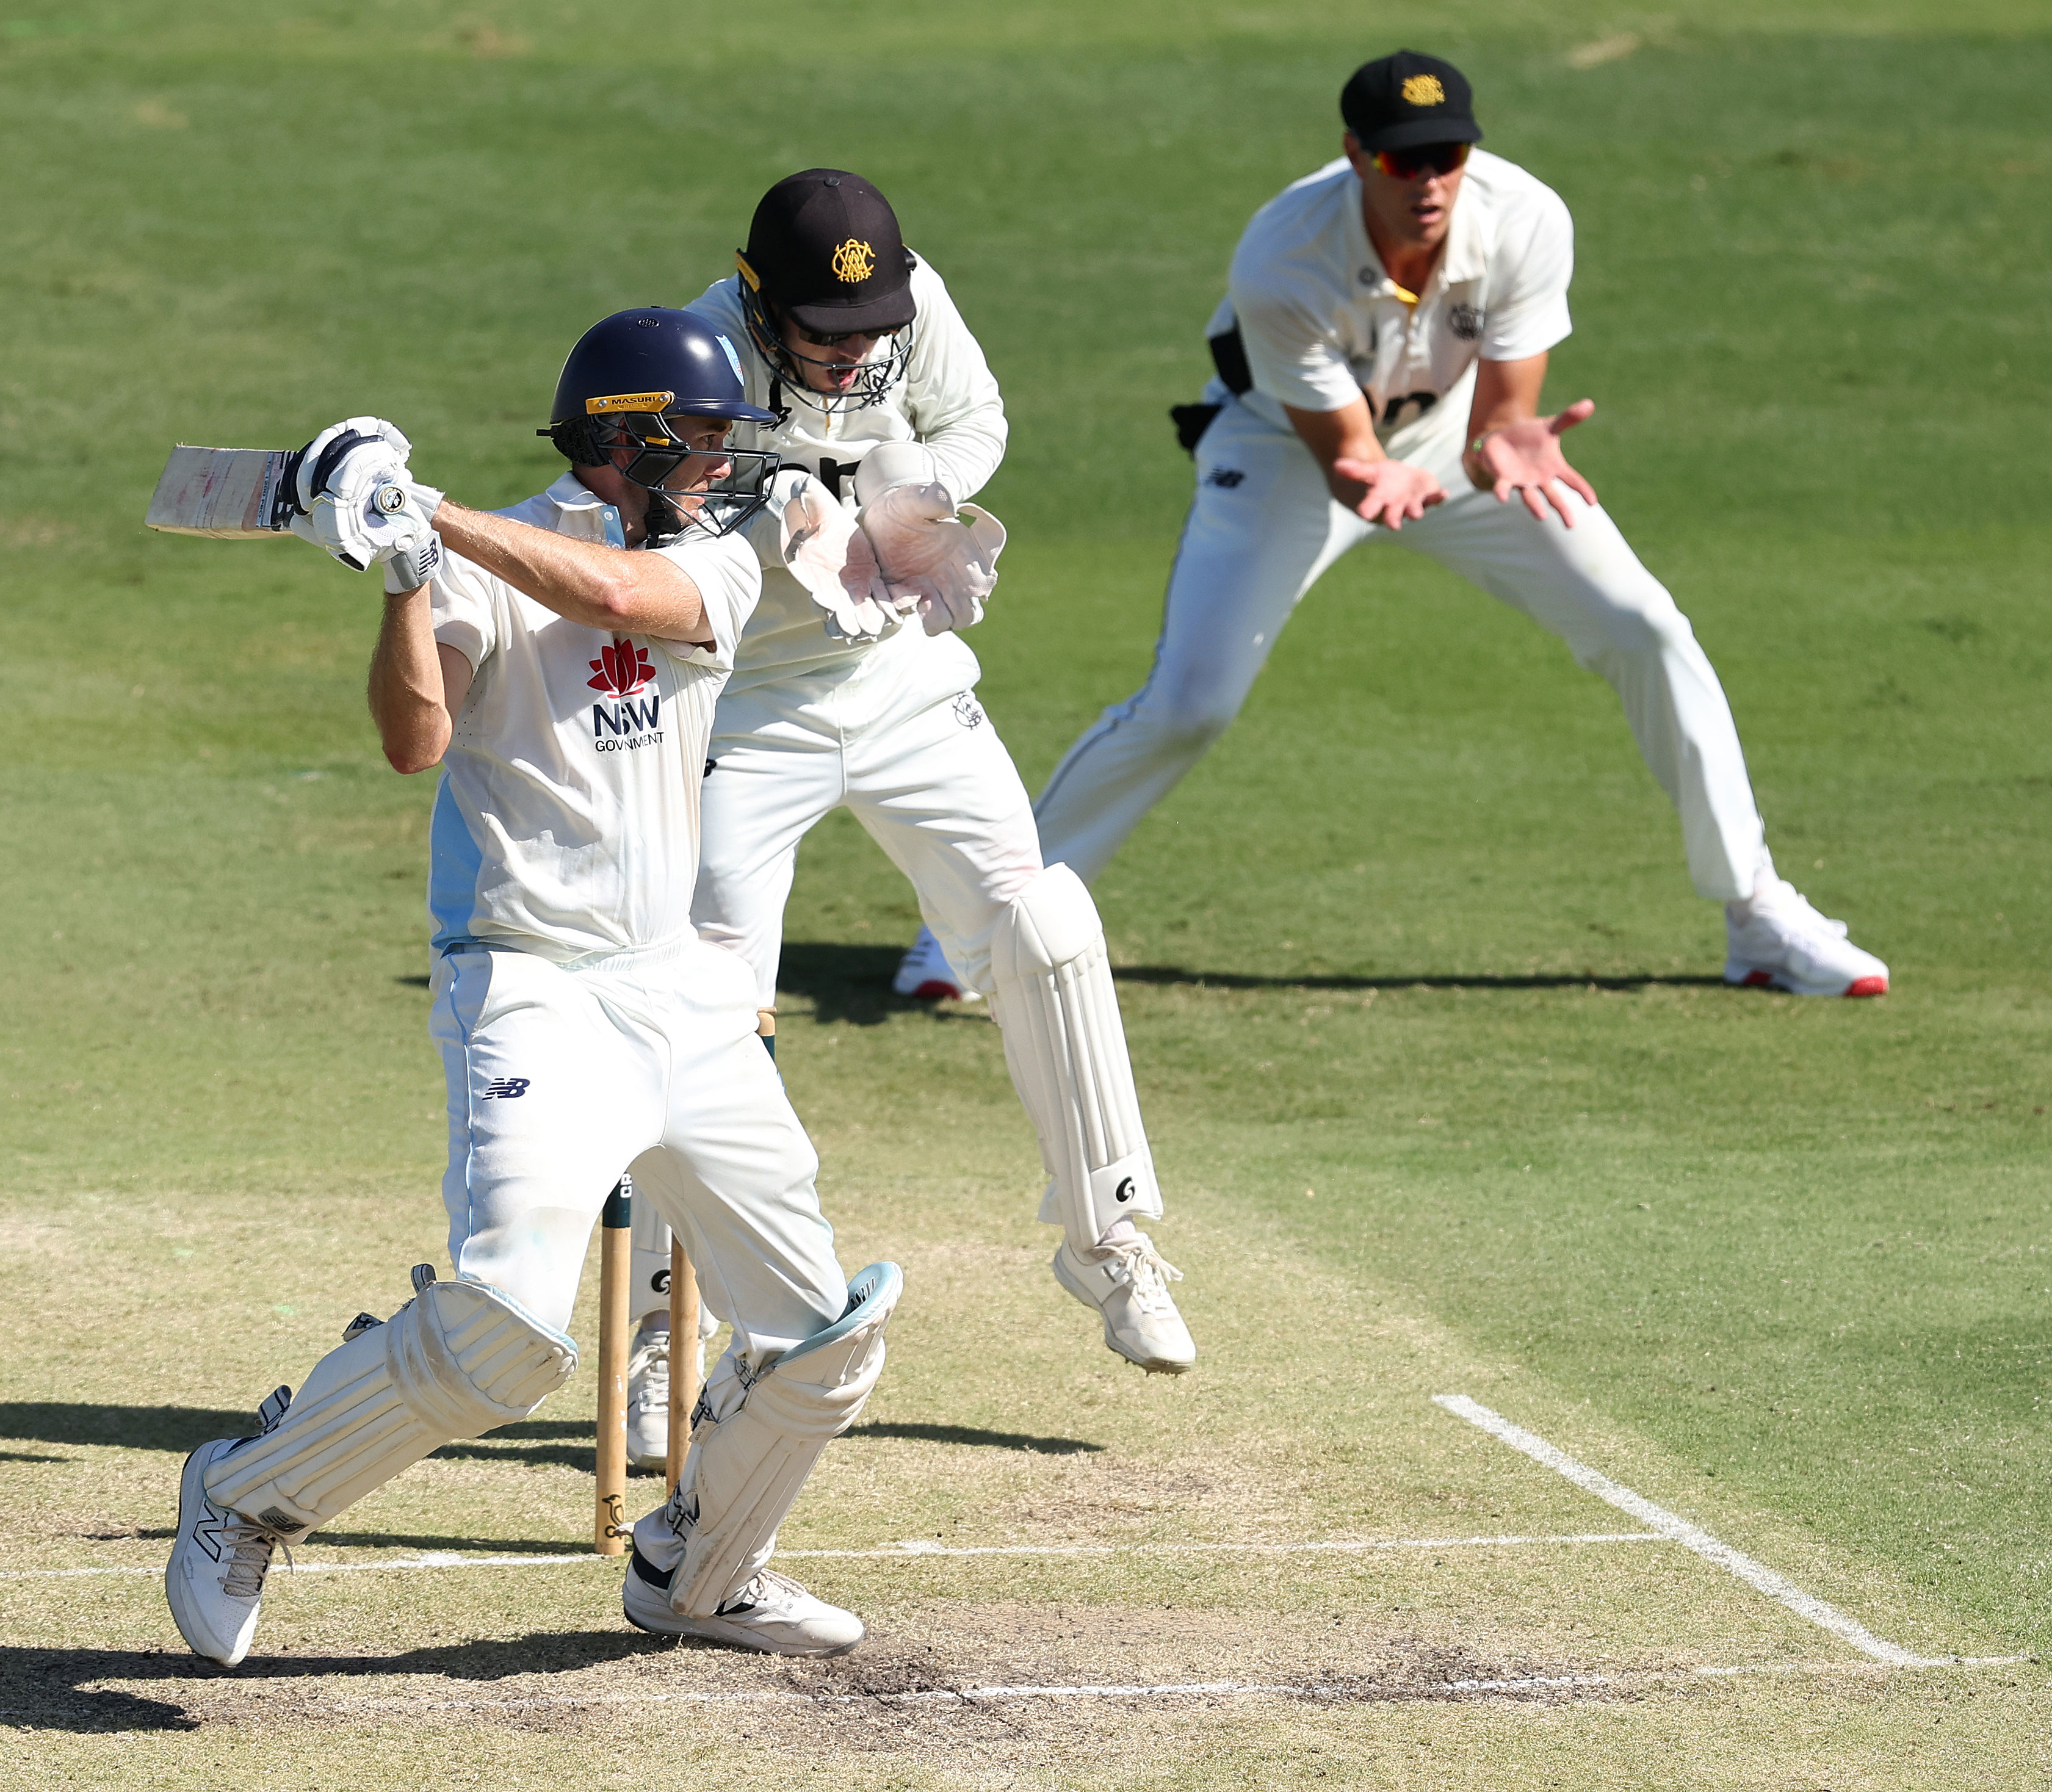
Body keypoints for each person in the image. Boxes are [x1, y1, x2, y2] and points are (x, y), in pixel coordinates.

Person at [164, 308, 899, 1667]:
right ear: (632, 440)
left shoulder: (724, 558)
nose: (731, 460)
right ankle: (241, 1494)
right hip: (531, 991)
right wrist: (401, 576)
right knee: (507, 1329)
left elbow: (617, 603)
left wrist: (423, 508)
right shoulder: (473, 568)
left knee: (824, 1338)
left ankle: (700, 1571)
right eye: (708, 437)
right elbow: (411, 740)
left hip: (680, 985)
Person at [1001, 50, 1888, 999]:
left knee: (1648, 629)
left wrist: (1498, 449)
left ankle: (1755, 912)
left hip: (1447, 441)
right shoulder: (1283, 254)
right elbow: (1347, 459)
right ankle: (999, 924)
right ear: (1355, 155)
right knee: (1189, 706)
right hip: (1286, 452)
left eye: (1447, 154)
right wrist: (1375, 479)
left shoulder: (1527, 218)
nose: (1427, 180)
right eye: (1400, 161)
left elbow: (1502, 419)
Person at [609, 169, 1197, 1472]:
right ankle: (665, 1331)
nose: (853, 350)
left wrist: (907, 495)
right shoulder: (694, 355)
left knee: (1041, 922)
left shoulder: (912, 305)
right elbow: (639, 520)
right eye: (823, 332)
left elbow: (975, 417)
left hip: (900, 681)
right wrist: (779, 525)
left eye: (867, 332)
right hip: (746, 707)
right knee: (699, 1003)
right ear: (759, 305)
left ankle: (1108, 1244)